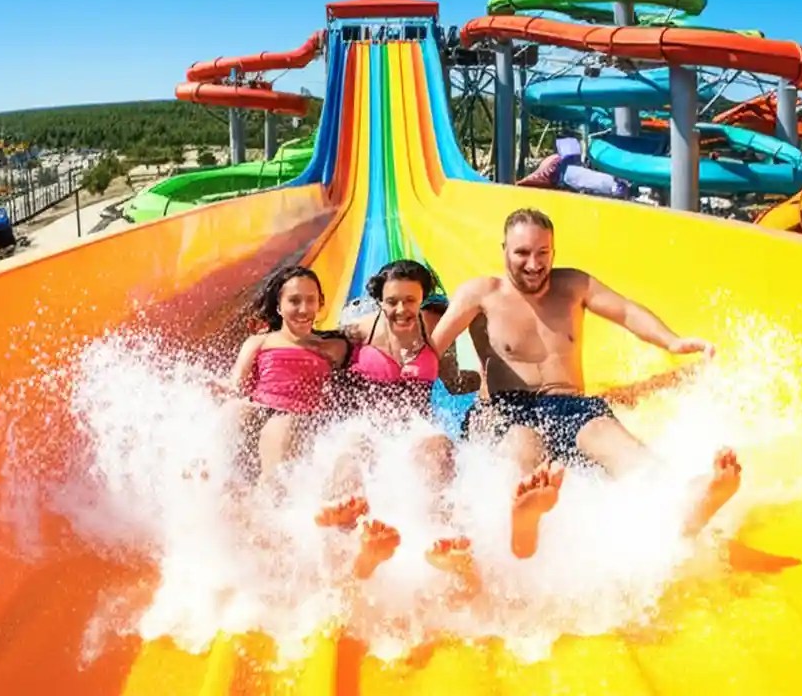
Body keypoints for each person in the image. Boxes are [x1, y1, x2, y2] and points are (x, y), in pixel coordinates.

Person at [427, 207, 742, 559]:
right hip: (505, 409)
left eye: (543, 252)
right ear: (504, 250)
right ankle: (518, 523)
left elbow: (626, 311)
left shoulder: (573, 286)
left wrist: (671, 341)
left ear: (553, 251)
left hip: (570, 406)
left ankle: (685, 503)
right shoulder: (481, 294)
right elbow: (430, 351)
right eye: (522, 253)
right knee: (524, 444)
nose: (534, 264)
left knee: (613, 439)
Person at [315, 260, 482, 592]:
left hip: (412, 429)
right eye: (392, 301)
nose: (401, 309)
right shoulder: (358, 332)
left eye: (410, 300)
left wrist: (488, 382)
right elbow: (315, 359)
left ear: (422, 299)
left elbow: (453, 381)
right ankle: (347, 549)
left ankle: (443, 547)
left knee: (440, 448)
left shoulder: (433, 329)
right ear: (380, 300)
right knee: (352, 456)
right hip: (364, 426)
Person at [220, 265, 350, 491]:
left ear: (320, 303)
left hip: (301, 417)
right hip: (260, 409)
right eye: (294, 301)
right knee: (236, 411)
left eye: (310, 300)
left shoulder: (335, 346)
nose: (303, 309)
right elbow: (237, 386)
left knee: (281, 426)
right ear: (279, 306)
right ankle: (222, 483)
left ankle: (269, 495)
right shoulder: (259, 342)